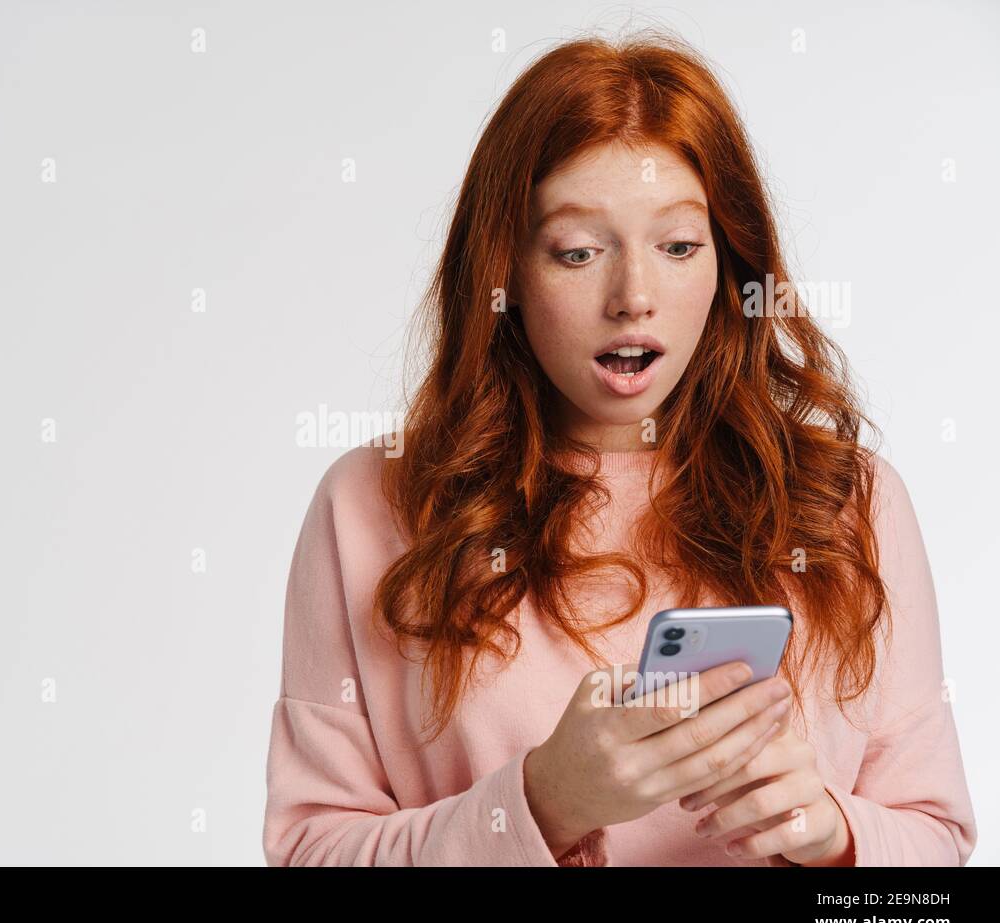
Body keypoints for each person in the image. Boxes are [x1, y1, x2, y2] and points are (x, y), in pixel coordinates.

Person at [261, 31, 977, 866]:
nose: (633, 297)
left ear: (727, 264)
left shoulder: (851, 499)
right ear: (506, 272)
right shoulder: (371, 504)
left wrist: (834, 835)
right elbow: (310, 850)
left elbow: (929, 866)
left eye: (678, 247)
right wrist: (541, 805)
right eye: (578, 252)